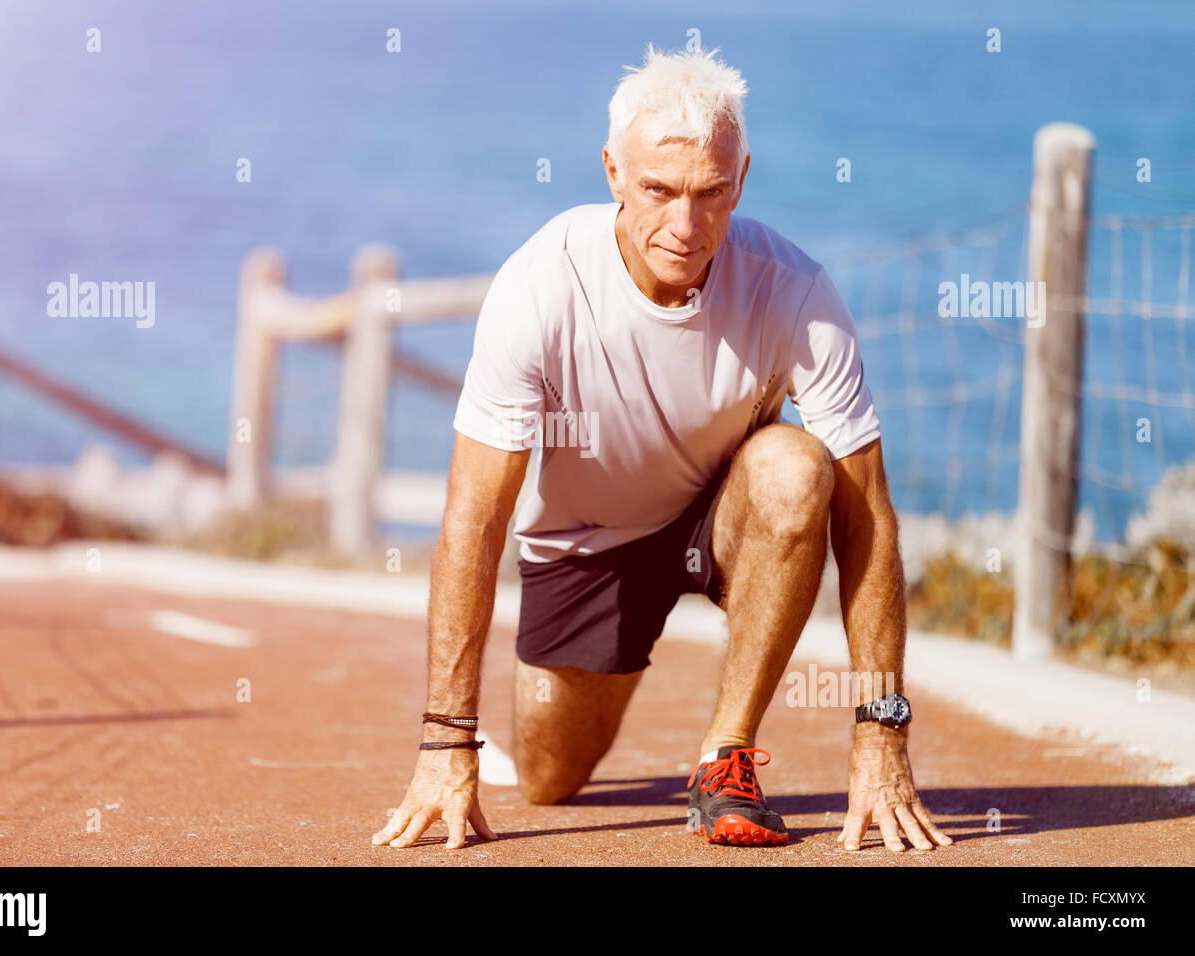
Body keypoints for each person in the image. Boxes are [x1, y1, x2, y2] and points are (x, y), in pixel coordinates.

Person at [372, 45, 952, 852]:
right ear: (612, 171)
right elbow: (474, 520)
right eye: (659, 190)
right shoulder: (540, 286)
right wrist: (445, 742)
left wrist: (881, 734)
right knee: (550, 779)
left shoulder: (794, 291)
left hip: (723, 520)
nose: (685, 226)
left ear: (741, 178)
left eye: (711, 194)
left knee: (796, 470)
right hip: (587, 547)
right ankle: (598, 679)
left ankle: (726, 759)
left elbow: (869, 520)